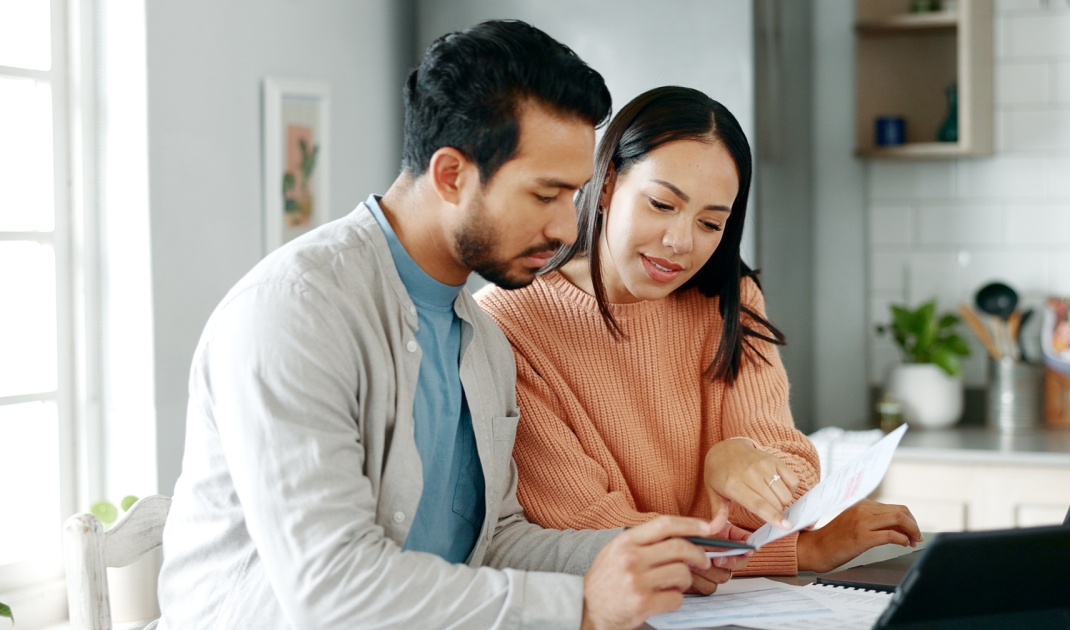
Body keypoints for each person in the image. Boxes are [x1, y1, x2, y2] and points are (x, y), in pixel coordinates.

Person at [158, 23, 736, 630]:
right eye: (546, 195)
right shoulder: (295, 312)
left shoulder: (482, 339)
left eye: (574, 196)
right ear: (451, 175)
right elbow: (333, 590)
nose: (568, 229)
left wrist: (644, 556)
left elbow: (495, 542)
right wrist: (582, 606)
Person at [477, 86, 922, 585]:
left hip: (727, 601)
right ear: (605, 186)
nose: (681, 242)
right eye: (662, 204)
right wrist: (800, 551)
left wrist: (735, 460)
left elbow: (794, 477)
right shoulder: (507, 325)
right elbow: (585, 525)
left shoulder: (729, 297)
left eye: (711, 223)